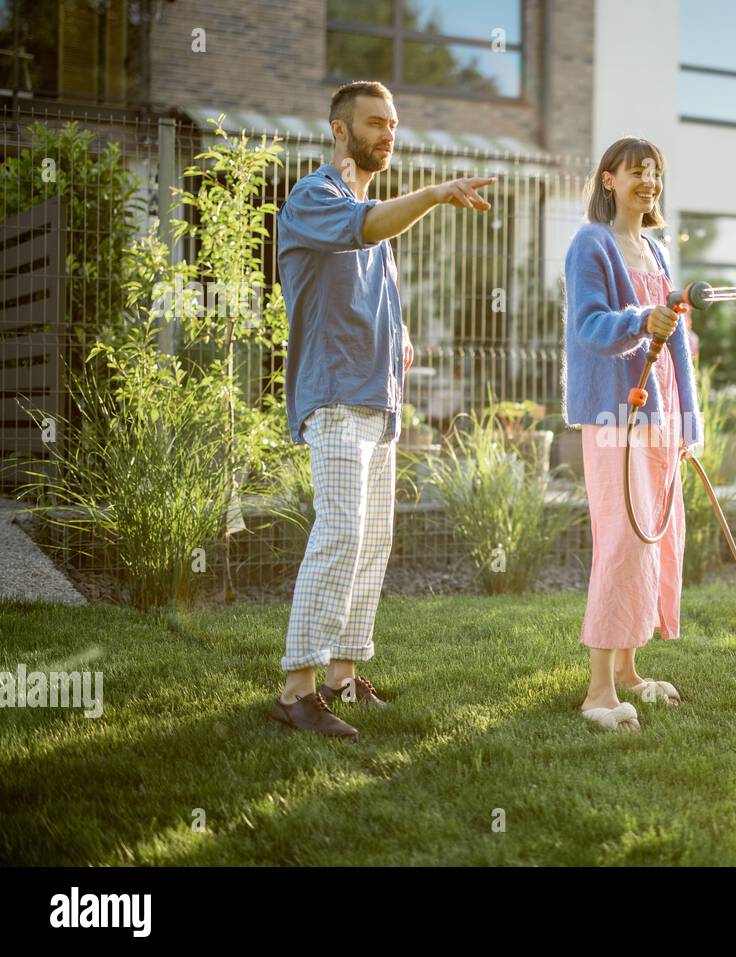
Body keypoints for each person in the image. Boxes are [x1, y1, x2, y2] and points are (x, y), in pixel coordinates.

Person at [272, 80, 496, 737]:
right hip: (336, 396)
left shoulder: (371, 215)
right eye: (374, 122)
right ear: (340, 131)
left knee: (371, 540)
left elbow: (367, 272)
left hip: (377, 402)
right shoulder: (317, 195)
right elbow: (363, 227)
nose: (387, 133)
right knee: (340, 530)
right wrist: (433, 193)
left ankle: (341, 673)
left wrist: (398, 336)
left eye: (393, 123)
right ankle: (296, 688)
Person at [562, 137, 704, 733]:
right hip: (615, 417)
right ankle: (598, 693)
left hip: (661, 415)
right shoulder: (591, 244)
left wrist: (689, 421)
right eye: (636, 172)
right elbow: (590, 326)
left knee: (652, 542)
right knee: (622, 542)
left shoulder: (656, 250)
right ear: (608, 180)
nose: (648, 182)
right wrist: (640, 320)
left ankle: (628, 673)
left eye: (656, 173)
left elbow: (680, 349)